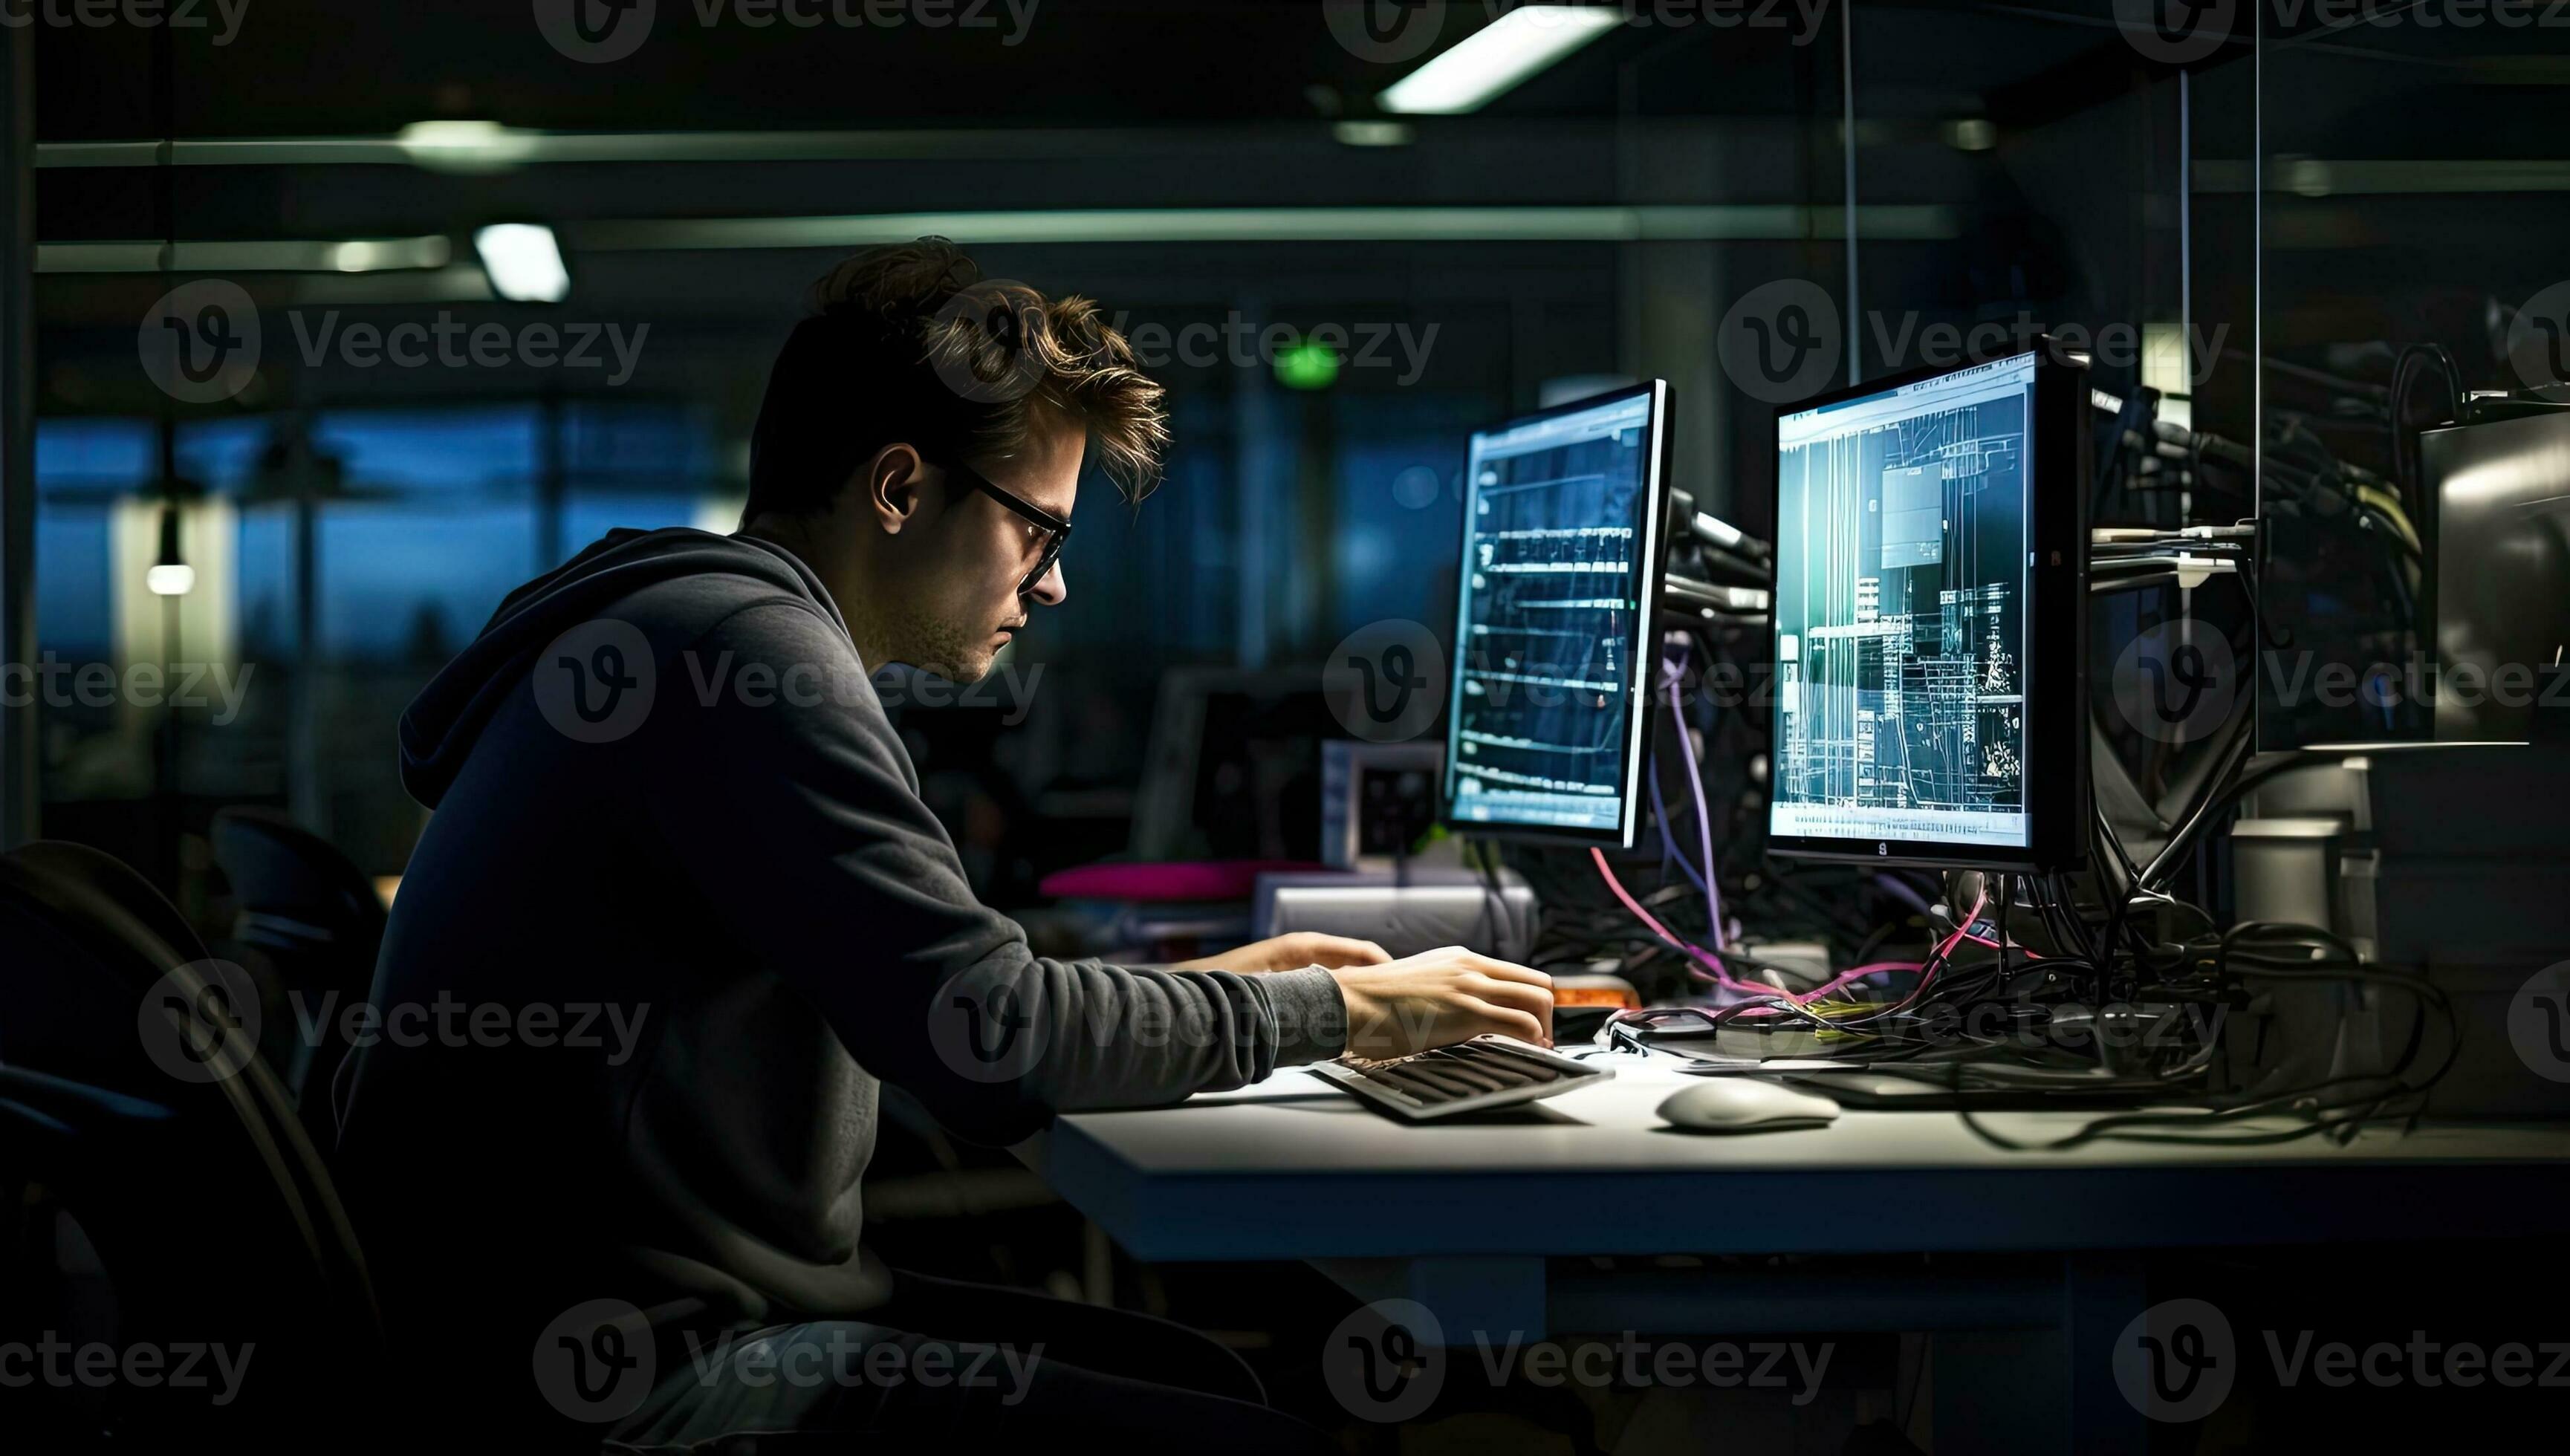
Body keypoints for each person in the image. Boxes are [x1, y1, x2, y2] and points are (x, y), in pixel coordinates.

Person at [331, 238, 1553, 1450]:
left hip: (587, 1332)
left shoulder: (677, 628)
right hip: (639, 1382)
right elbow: (992, 1051)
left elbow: (952, 1007)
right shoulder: (746, 664)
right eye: (1042, 532)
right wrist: (1349, 1015)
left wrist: (1186, 998)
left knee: (1194, 1374)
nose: (1054, 587)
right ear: (902, 489)